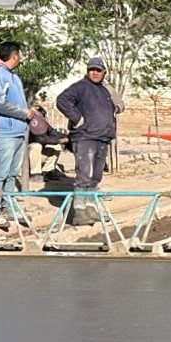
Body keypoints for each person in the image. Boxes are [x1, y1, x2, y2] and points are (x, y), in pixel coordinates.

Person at [56, 55, 118, 224]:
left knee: (95, 177)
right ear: (87, 71)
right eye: (92, 70)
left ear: (104, 72)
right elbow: (62, 100)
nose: (95, 73)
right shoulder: (80, 87)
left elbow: (118, 106)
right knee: (85, 174)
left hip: (102, 137)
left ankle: (90, 208)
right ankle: (80, 212)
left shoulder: (104, 90)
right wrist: (77, 119)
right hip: (85, 137)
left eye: (98, 70)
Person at [0, 41, 36, 226]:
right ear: (14, 56)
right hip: (2, 133)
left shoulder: (12, 76)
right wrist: (23, 112)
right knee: (0, 173)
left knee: (12, 174)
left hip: (18, 132)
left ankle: (7, 206)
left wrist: (29, 111)